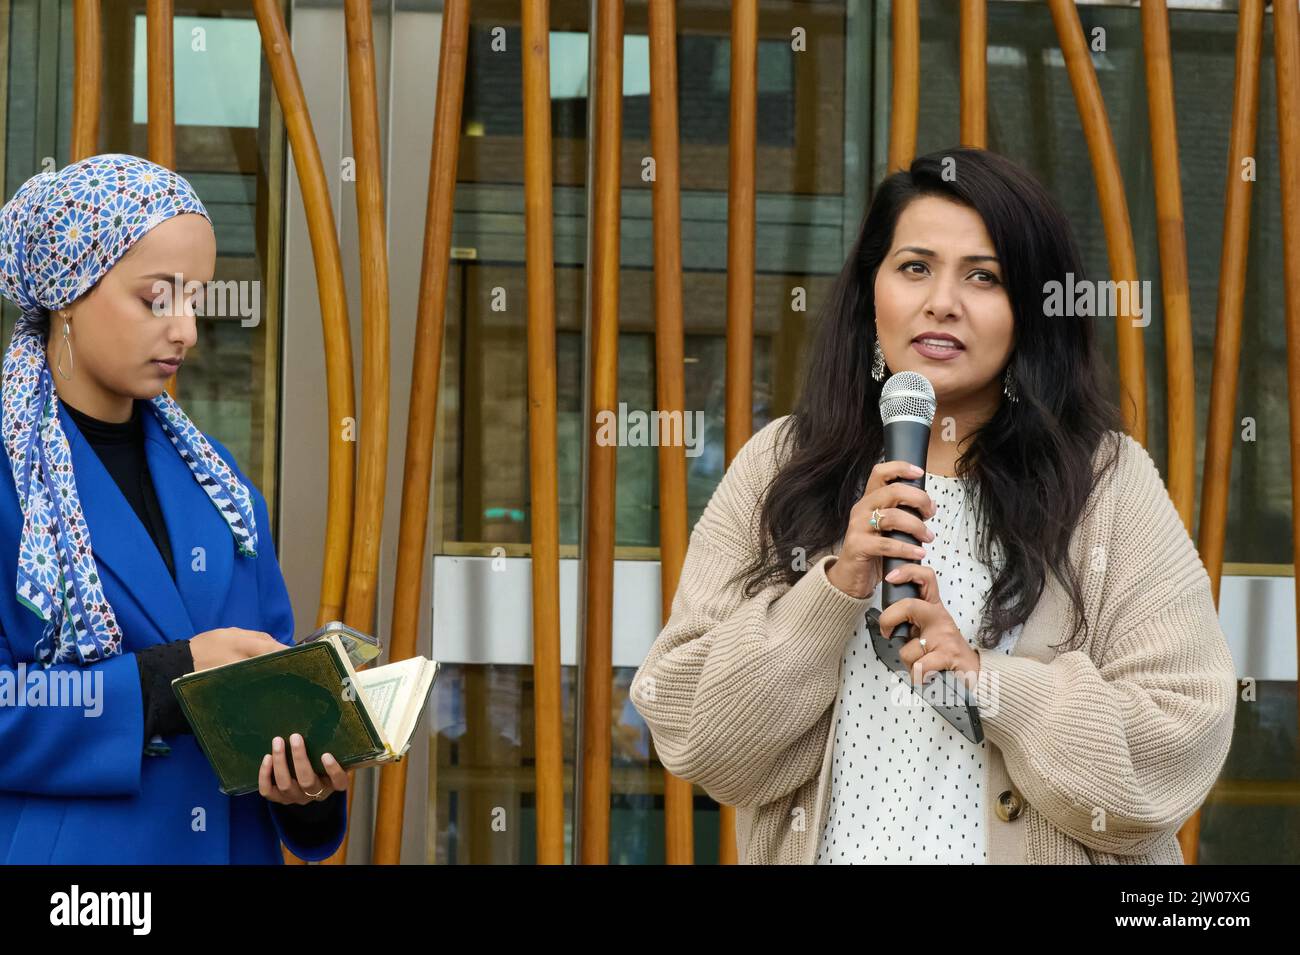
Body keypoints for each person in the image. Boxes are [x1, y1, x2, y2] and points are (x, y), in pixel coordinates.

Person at [630, 146, 1237, 864]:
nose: (941, 300)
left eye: (984, 276)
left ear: (1031, 311)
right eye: (915, 267)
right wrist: (830, 589)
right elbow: (697, 734)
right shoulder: (782, 465)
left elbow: (1178, 742)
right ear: (872, 290)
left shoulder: (1105, 483)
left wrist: (989, 682)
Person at [0, 154, 348, 863]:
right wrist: (164, 681)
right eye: (158, 298)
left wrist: (305, 789)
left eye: (196, 298)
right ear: (69, 288)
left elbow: (264, 697)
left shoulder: (223, 489)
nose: (186, 329)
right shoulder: (11, 483)